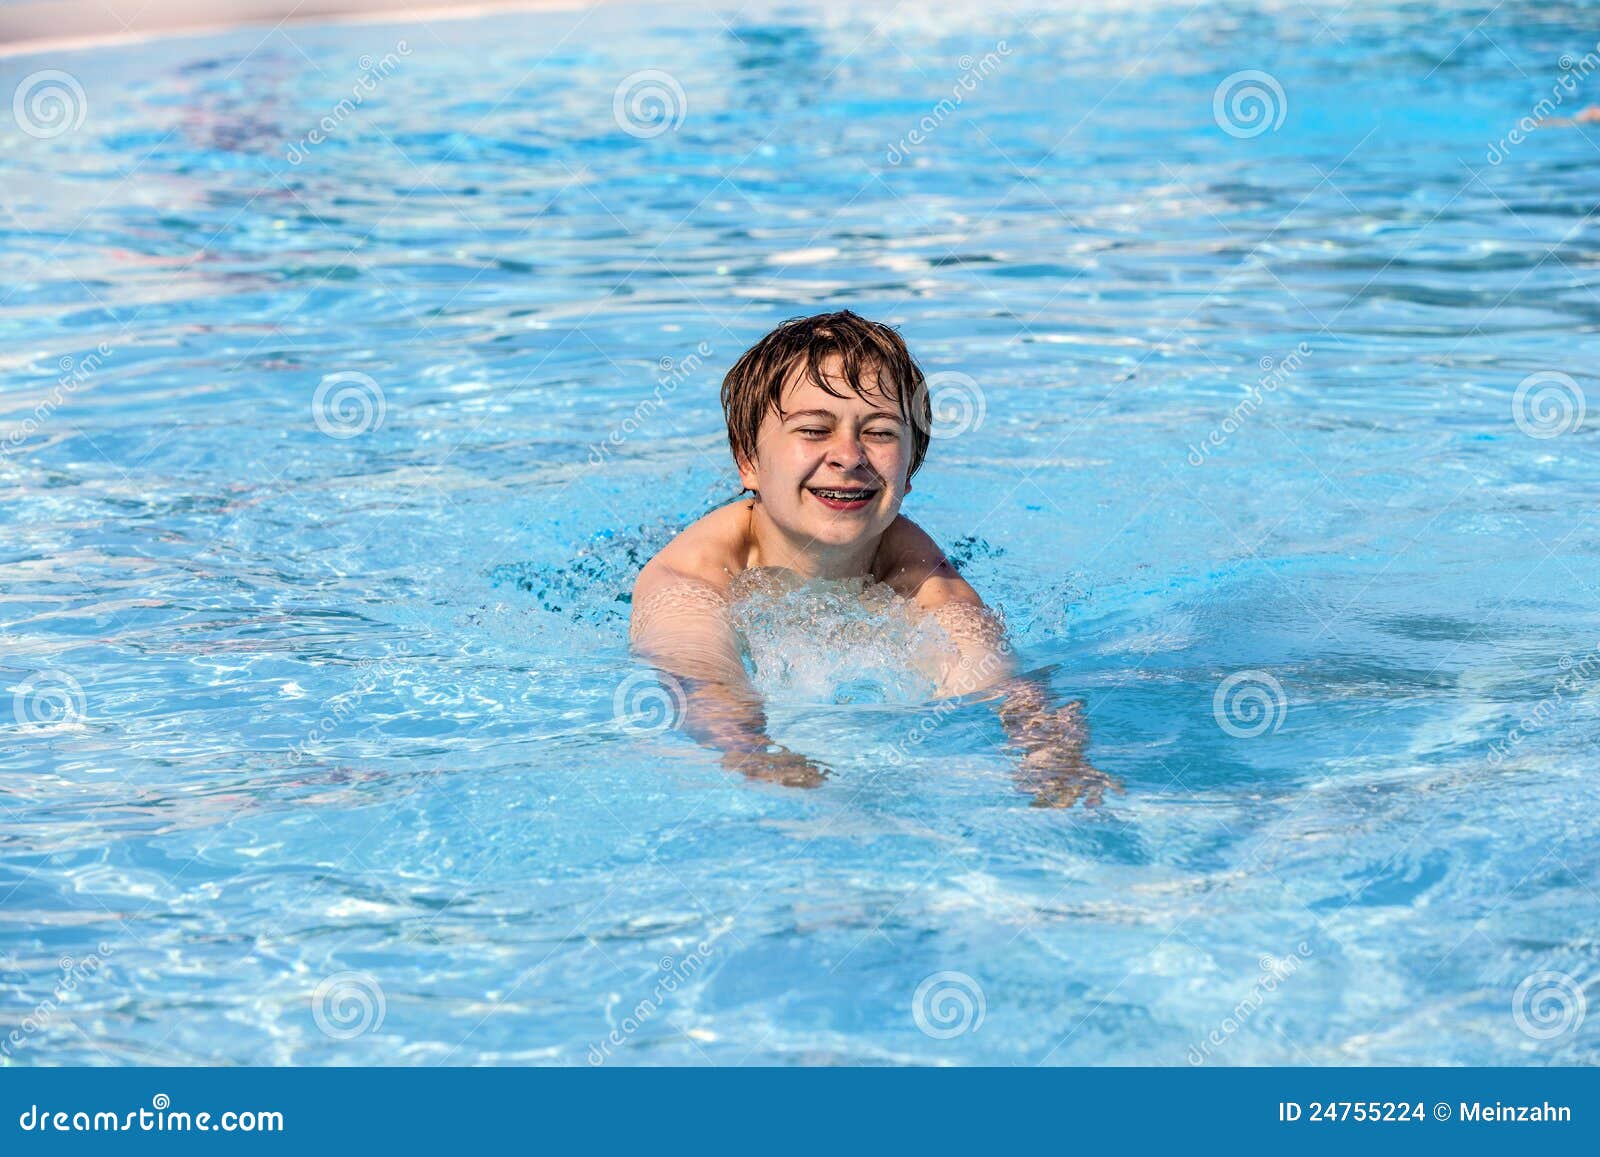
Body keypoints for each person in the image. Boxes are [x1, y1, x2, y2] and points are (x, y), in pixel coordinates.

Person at [628, 310, 1121, 807]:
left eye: (881, 432)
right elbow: (699, 680)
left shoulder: (925, 578)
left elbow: (997, 682)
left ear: (910, 469)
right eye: (814, 430)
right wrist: (757, 755)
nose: (849, 455)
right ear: (748, 460)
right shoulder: (690, 577)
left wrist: (1052, 755)